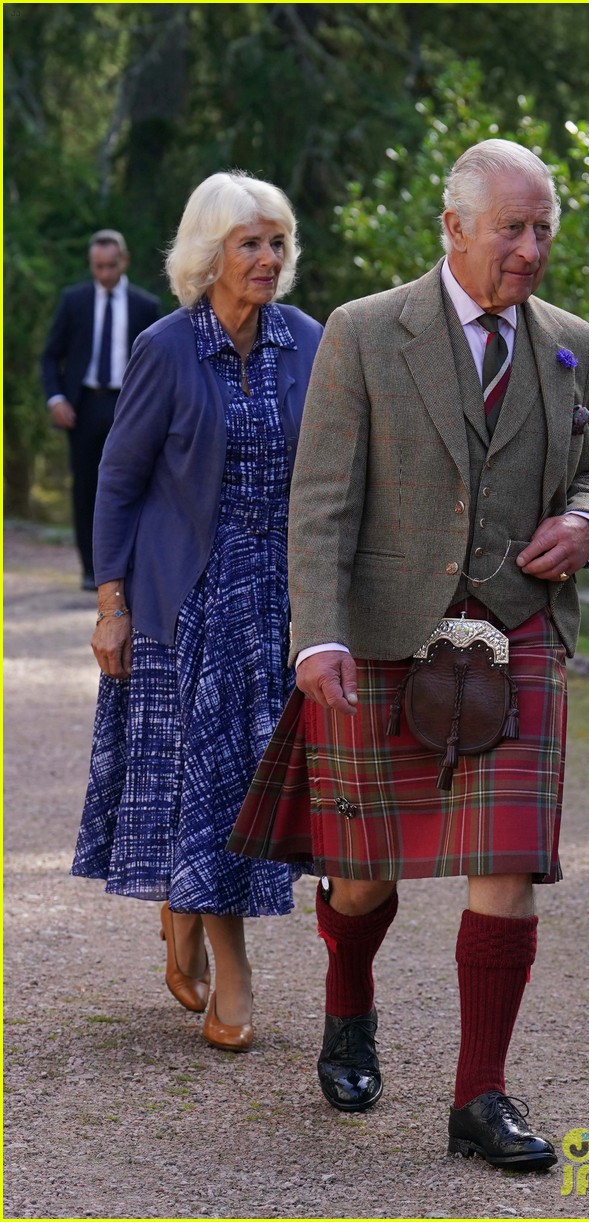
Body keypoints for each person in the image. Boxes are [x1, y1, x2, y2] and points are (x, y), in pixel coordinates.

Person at [228, 140, 589, 1163]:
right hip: (383, 637)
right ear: (452, 227)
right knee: (361, 876)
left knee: (507, 859)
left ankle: (478, 1096)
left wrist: (587, 525)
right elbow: (320, 500)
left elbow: (588, 474)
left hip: (516, 633)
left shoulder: (568, 343)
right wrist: (316, 634)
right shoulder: (364, 331)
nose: (529, 249)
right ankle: (348, 992)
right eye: (510, 229)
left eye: (542, 230)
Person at [71, 172, 323, 1051]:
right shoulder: (167, 347)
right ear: (210, 253)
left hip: (276, 605)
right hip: (185, 598)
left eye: (277, 242)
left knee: (247, 785)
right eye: (250, 242)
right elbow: (118, 479)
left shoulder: (308, 341)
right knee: (215, 784)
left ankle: (185, 907)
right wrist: (111, 605)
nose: (268, 258)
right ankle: (234, 967)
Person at [41, 230, 160, 589]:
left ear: (124, 261)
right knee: (85, 486)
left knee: (133, 483)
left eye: (110, 265)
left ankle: (128, 564)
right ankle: (90, 569)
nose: (105, 273)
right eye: (98, 267)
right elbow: (50, 356)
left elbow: (158, 363)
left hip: (128, 407)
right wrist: (56, 398)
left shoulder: (145, 306)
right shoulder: (73, 301)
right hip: (84, 406)